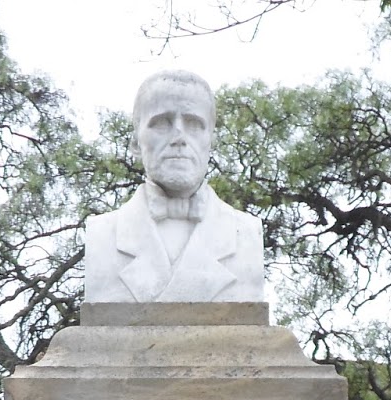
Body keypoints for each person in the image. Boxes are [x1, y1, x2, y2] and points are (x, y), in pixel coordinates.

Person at [84, 69, 265, 304]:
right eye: (161, 123)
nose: (179, 136)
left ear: (212, 141)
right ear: (135, 143)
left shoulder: (246, 233)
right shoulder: (102, 234)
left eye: (194, 124)